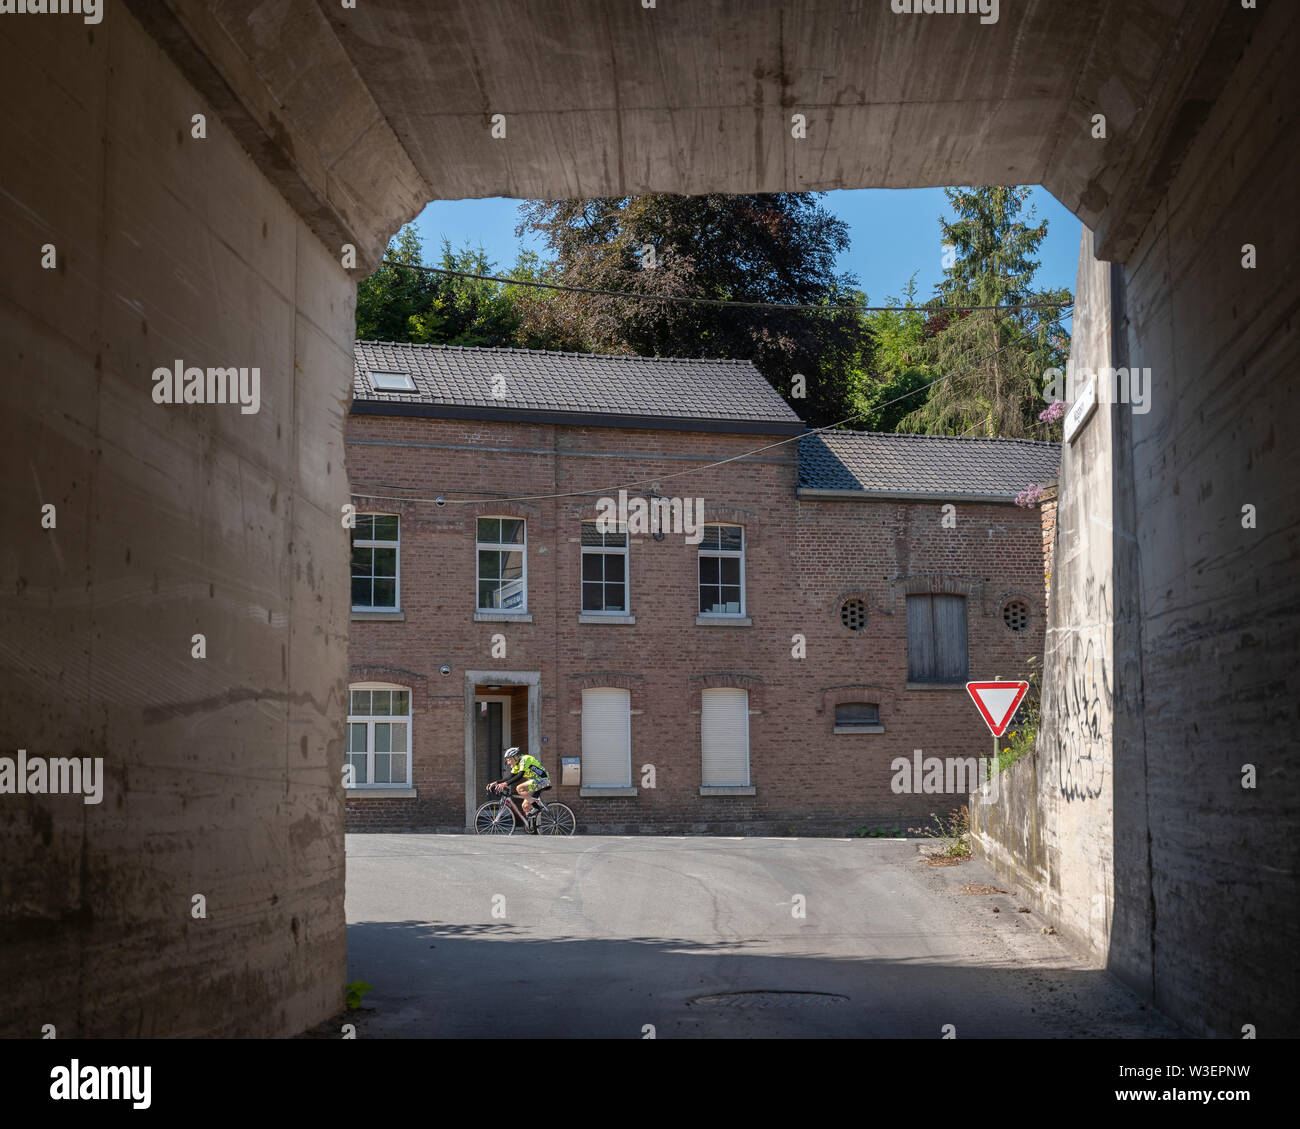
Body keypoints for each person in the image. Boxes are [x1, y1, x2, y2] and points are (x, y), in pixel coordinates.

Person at [489, 747, 550, 830]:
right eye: (507, 760)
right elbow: (511, 776)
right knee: (525, 806)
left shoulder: (525, 759)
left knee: (519, 788)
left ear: (515, 757)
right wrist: (497, 782)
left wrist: (505, 784)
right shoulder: (517, 764)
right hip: (534, 782)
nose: (508, 762)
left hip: (543, 780)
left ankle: (537, 807)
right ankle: (533, 827)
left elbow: (520, 775)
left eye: (509, 759)